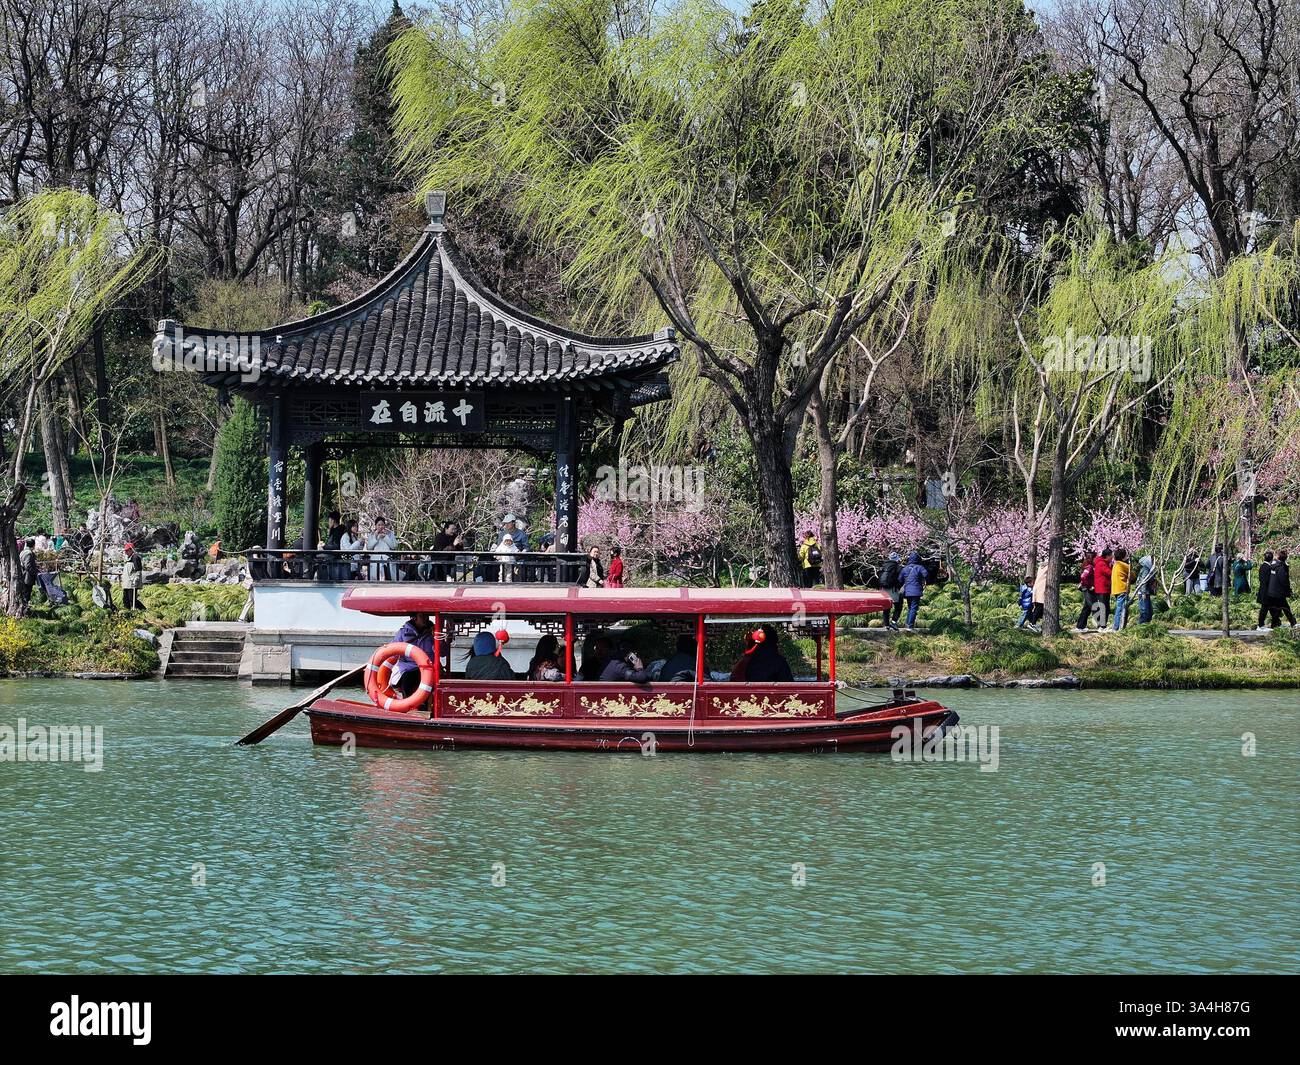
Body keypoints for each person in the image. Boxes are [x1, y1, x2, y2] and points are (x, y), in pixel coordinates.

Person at [391, 612, 436, 700]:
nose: (426, 618)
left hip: (427, 668)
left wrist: (441, 640)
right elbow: (393, 652)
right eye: (422, 615)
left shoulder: (433, 633)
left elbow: (443, 653)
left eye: (427, 615)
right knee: (407, 679)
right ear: (414, 617)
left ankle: (426, 706)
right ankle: (406, 704)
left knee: (431, 681)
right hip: (408, 668)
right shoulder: (403, 633)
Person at [1266, 548, 1295, 628]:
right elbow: (1284, 580)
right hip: (1279, 591)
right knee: (1284, 608)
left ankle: (1275, 624)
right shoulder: (1281, 567)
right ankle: (1292, 623)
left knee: (1278, 609)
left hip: (1271, 590)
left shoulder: (1271, 564)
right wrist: (1288, 591)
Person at [899, 552, 927, 630]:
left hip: (907, 591)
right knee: (914, 608)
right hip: (916, 591)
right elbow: (926, 575)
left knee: (910, 607)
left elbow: (900, 579)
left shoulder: (905, 568)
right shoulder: (920, 567)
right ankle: (910, 626)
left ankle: (908, 624)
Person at [366, 517, 398, 581]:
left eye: (382, 524)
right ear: (375, 526)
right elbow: (369, 547)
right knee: (376, 579)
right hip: (376, 559)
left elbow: (394, 546)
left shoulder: (390, 533)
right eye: (379, 525)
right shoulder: (372, 534)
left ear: (384, 525)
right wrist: (376, 538)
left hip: (387, 559)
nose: (380, 527)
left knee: (389, 578)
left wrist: (385, 537)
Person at [880, 552, 903, 630]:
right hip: (893, 589)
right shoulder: (898, 567)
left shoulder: (884, 566)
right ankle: (893, 622)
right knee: (898, 606)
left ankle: (886, 625)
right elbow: (901, 579)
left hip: (883, 589)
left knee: (886, 606)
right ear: (897, 559)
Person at [1111, 548, 1131, 631]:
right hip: (1122, 589)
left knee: (1120, 608)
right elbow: (1132, 575)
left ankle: (1118, 626)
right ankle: (1117, 627)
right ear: (1123, 556)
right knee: (1121, 609)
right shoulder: (1124, 565)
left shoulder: (1115, 564)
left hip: (1115, 589)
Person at [1075, 554, 1096, 630]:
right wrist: (1089, 586)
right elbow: (1083, 577)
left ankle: (1080, 626)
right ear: (1091, 559)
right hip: (1087, 589)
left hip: (1087, 589)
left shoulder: (1091, 567)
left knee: (1086, 608)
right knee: (1094, 606)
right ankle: (1102, 625)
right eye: (1095, 558)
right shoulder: (1089, 567)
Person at [1256, 551, 1276, 629]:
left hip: (1264, 590)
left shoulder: (1262, 566)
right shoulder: (1268, 567)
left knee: (1271, 608)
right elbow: (1268, 580)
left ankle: (1276, 623)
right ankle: (1260, 625)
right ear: (1271, 558)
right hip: (1267, 591)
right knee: (1265, 609)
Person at [120, 542, 143, 609]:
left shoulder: (136, 558)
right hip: (127, 583)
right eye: (125, 551)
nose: (126, 552)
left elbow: (138, 570)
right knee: (125, 599)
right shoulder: (128, 558)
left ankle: (143, 610)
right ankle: (127, 611)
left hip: (132, 583)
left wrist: (136, 579)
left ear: (131, 549)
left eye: (127, 550)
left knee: (132, 599)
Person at [1135, 554, 1156, 624]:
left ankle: (1146, 624)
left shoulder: (1148, 569)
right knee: (1144, 610)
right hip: (1143, 593)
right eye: (1152, 560)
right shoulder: (1145, 570)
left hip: (1146, 592)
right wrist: (1143, 592)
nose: (1153, 562)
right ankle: (1142, 624)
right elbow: (1143, 581)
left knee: (1149, 610)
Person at [17, 537, 38, 609]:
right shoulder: (29, 553)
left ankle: (24, 607)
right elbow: (28, 566)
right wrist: (35, 573)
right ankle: (25, 609)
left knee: (25, 592)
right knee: (27, 593)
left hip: (23, 574)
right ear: (33, 545)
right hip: (27, 576)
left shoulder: (22, 552)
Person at [1029, 563, 1048, 630]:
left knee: (1039, 607)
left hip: (1038, 588)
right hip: (1041, 589)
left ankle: (1034, 623)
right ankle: (1032, 623)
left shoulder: (1041, 567)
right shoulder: (1048, 567)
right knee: (1039, 607)